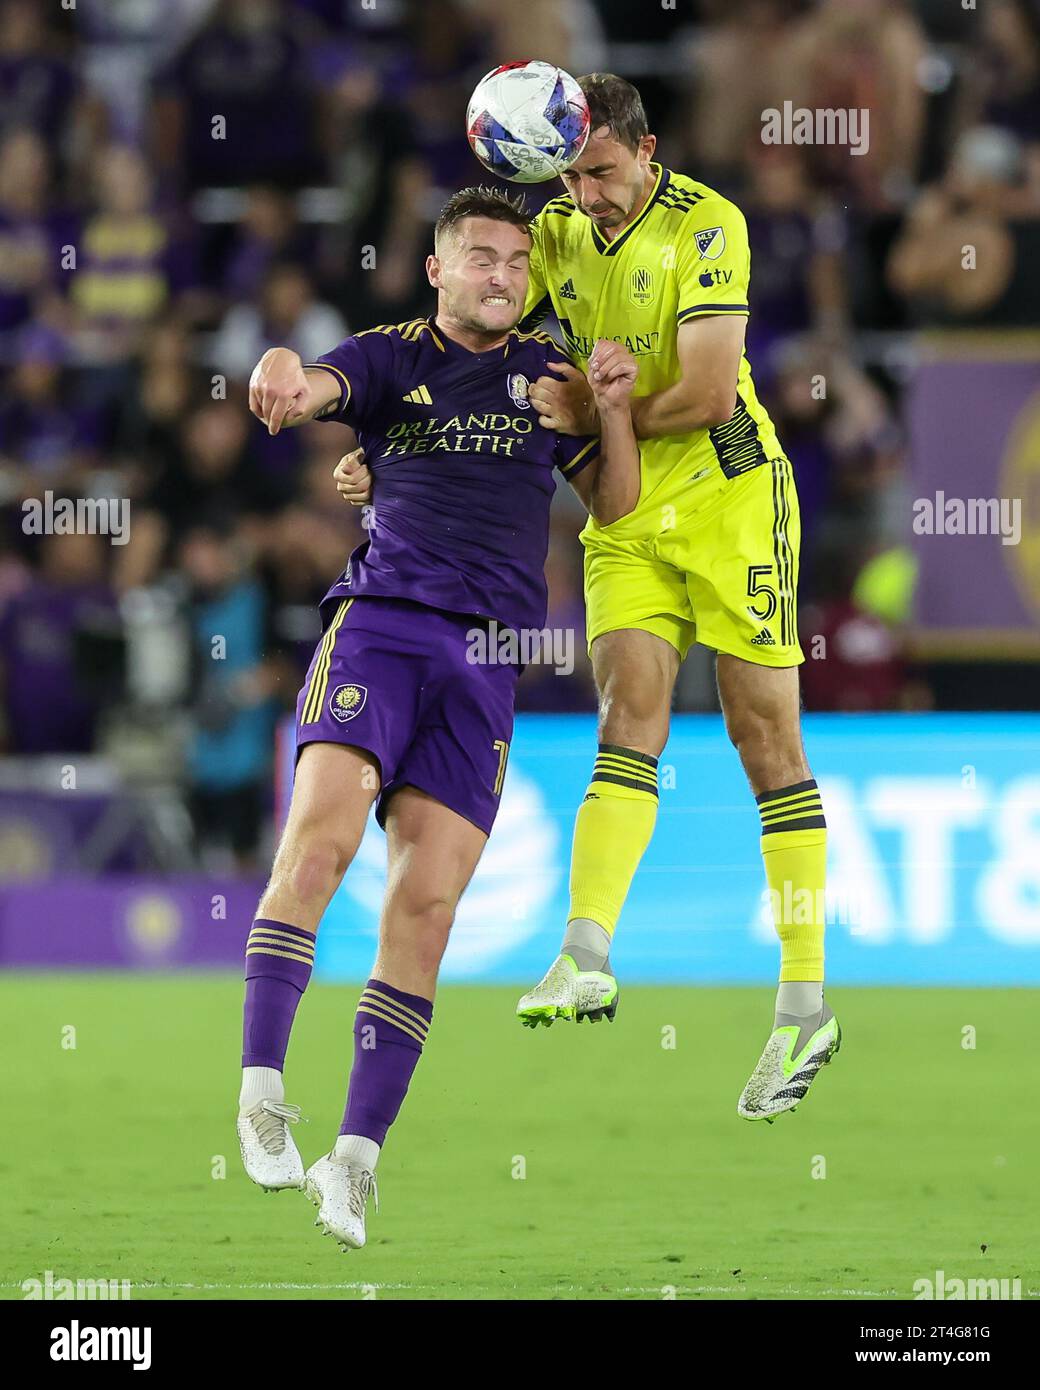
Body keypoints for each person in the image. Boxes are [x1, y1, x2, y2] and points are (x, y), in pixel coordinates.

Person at [237, 186, 640, 1248]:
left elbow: (615, 506)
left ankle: (354, 1161)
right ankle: (262, 1094)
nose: (501, 275)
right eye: (480, 257)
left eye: (516, 261)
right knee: (317, 852)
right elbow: (313, 386)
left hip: (488, 664)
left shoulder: (548, 376)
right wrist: (282, 369)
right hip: (381, 630)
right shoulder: (388, 356)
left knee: (425, 910)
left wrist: (607, 409)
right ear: (437, 270)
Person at [513, 74, 840, 1122]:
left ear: (646, 151)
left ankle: (803, 1002)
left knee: (762, 737)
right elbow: (471, 331)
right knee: (626, 718)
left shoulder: (708, 225)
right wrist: (382, 436)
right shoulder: (555, 232)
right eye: (571, 176)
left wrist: (594, 410)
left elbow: (704, 391)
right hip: (622, 508)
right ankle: (585, 953)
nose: (588, 194)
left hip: (729, 497)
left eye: (603, 172)